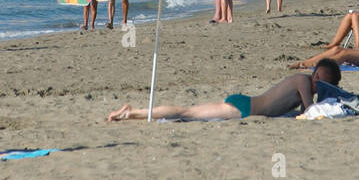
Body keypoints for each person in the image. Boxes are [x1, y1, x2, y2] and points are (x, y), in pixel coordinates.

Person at [107, 60, 344, 122]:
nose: (316, 84)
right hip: (243, 108)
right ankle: (133, 112)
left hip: (245, 105)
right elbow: (308, 112)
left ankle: (133, 112)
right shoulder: (303, 81)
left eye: (321, 82)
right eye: (318, 79)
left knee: (187, 113)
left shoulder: (306, 83)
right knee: (186, 112)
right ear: (314, 75)